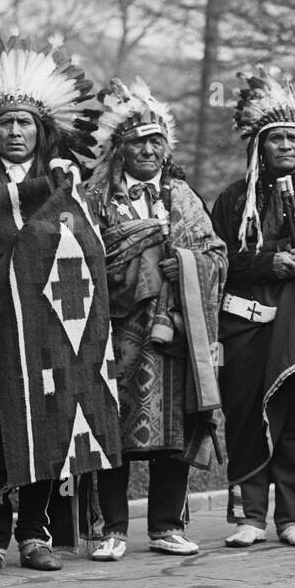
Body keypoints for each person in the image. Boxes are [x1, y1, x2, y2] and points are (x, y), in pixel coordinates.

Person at [0, 35, 121, 574]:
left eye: (25, 124)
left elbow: (88, 255)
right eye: (5, 124)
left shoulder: (66, 184)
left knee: (50, 422)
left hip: (52, 332)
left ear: (42, 131)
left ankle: (35, 534)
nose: (16, 133)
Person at [86, 77, 227, 558]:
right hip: (116, 331)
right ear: (118, 148)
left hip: (174, 334)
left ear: (167, 148)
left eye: (156, 141)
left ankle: (166, 525)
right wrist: (133, 260)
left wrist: (186, 266)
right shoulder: (97, 199)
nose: (148, 150)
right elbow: (85, 259)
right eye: (137, 142)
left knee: (174, 429)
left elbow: (216, 254)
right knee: (113, 429)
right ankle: (112, 529)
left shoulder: (183, 198)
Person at [210, 65, 295, 547]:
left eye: (294, 138)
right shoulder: (231, 201)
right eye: (276, 139)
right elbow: (218, 262)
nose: (286, 146)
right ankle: (251, 516)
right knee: (247, 418)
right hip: (248, 327)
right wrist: (273, 263)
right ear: (258, 147)